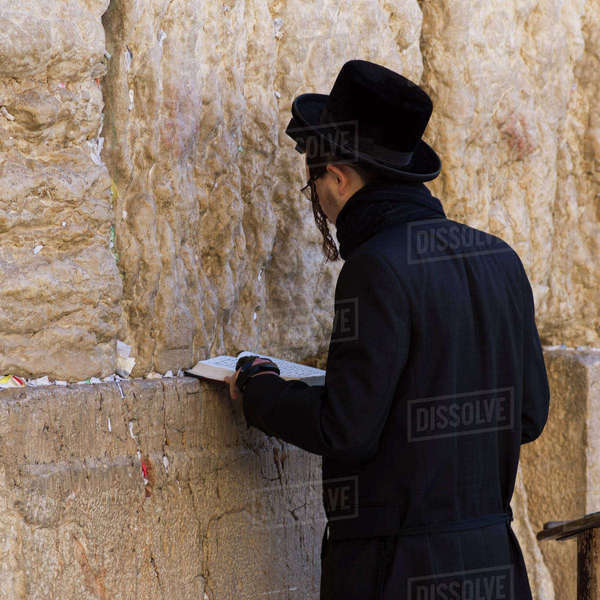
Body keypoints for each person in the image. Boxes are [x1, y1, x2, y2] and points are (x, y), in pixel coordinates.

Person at [225, 60, 550, 600]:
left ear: (338, 176)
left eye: (315, 180)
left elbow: (347, 429)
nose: (321, 203)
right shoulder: (500, 258)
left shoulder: (376, 266)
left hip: (399, 572)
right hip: (492, 565)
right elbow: (529, 414)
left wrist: (259, 390)